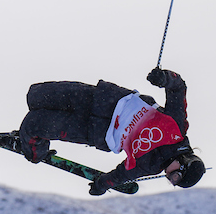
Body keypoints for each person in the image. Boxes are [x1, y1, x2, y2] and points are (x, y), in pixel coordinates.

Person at [14, 68, 206, 195]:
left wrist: (101, 185)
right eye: (175, 177)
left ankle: (32, 150)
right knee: (36, 95)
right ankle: (26, 139)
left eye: (173, 182)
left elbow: (121, 175)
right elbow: (178, 89)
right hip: (104, 100)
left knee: (34, 124)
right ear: (183, 163)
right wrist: (165, 78)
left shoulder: (149, 166)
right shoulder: (177, 127)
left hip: (96, 131)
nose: (169, 178)